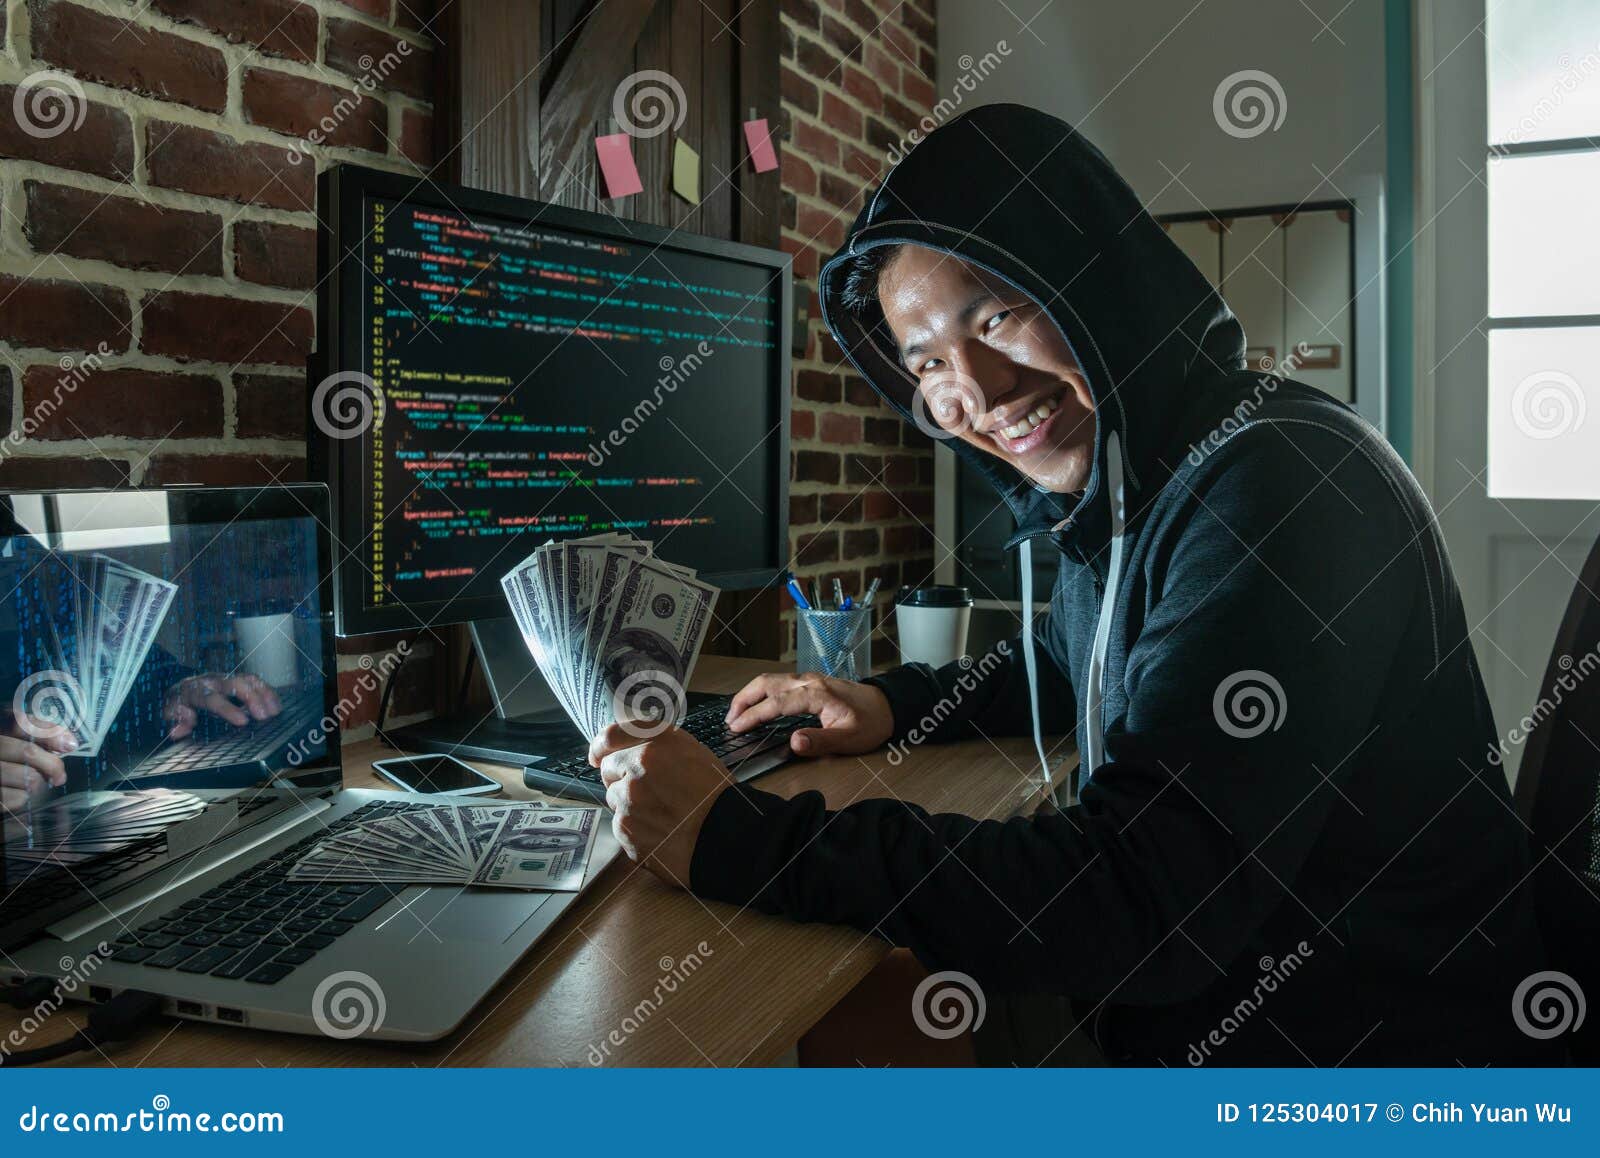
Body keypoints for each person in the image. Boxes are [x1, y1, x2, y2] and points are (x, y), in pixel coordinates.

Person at [588, 105, 1554, 1066]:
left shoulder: (1278, 486)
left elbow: (1144, 899)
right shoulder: (1145, 479)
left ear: (1100, 276)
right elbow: (1072, 654)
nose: (980, 387)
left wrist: (739, 839)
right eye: (927, 361)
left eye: (997, 313)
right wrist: (887, 701)